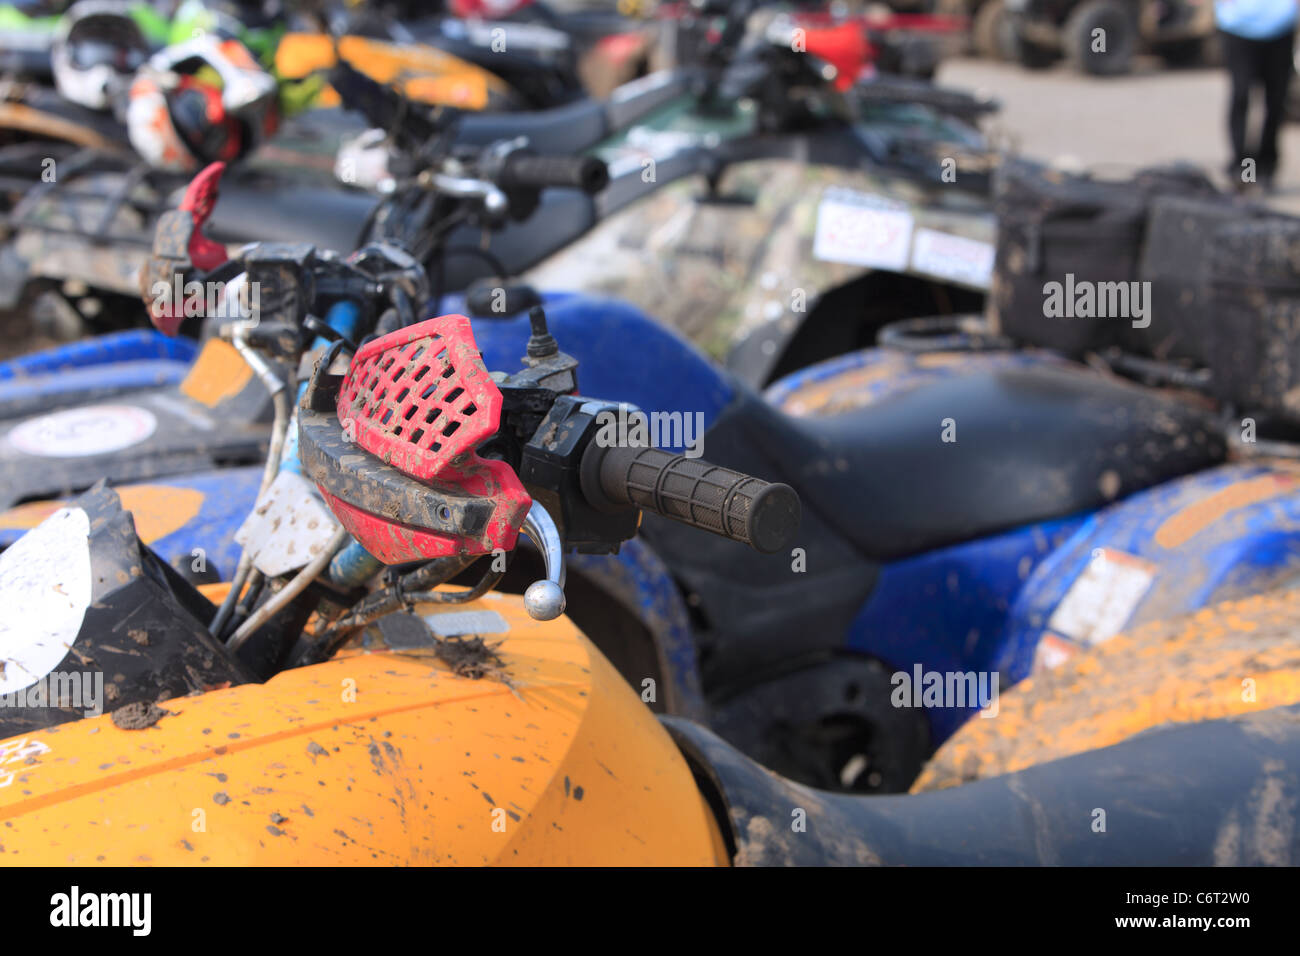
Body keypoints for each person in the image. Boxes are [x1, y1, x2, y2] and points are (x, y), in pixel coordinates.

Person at [1216, 0, 1299, 189]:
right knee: (1242, 96)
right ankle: (1243, 169)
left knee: (1275, 102)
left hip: (1280, 27)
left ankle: (1265, 168)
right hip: (1238, 26)